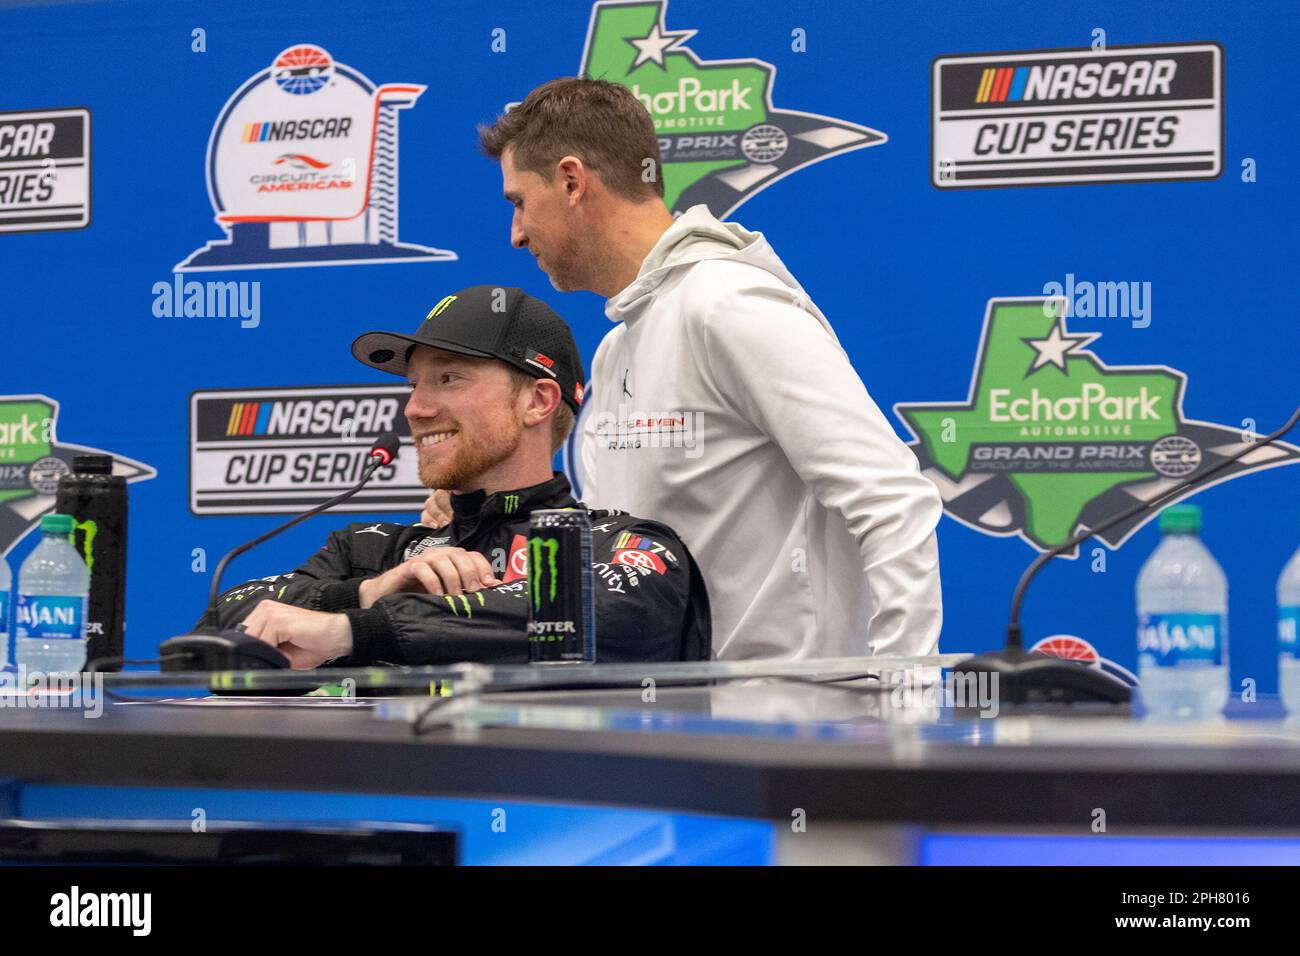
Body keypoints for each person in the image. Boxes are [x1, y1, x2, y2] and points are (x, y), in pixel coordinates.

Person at [424, 77, 943, 662]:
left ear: (572, 181)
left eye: (519, 202)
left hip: (789, 731)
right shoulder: (617, 346)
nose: (515, 234)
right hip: (667, 731)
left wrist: (907, 709)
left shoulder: (727, 305)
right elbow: (621, 557)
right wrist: (488, 511)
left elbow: (893, 500)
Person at [198, 285, 711, 668]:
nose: (416, 409)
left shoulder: (618, 544)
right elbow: (221, 624)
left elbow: (591, 615)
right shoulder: (371, 553)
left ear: (537, 400)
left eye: (448, 378)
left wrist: (358, 630)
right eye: (414, 384)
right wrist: (366, 594)